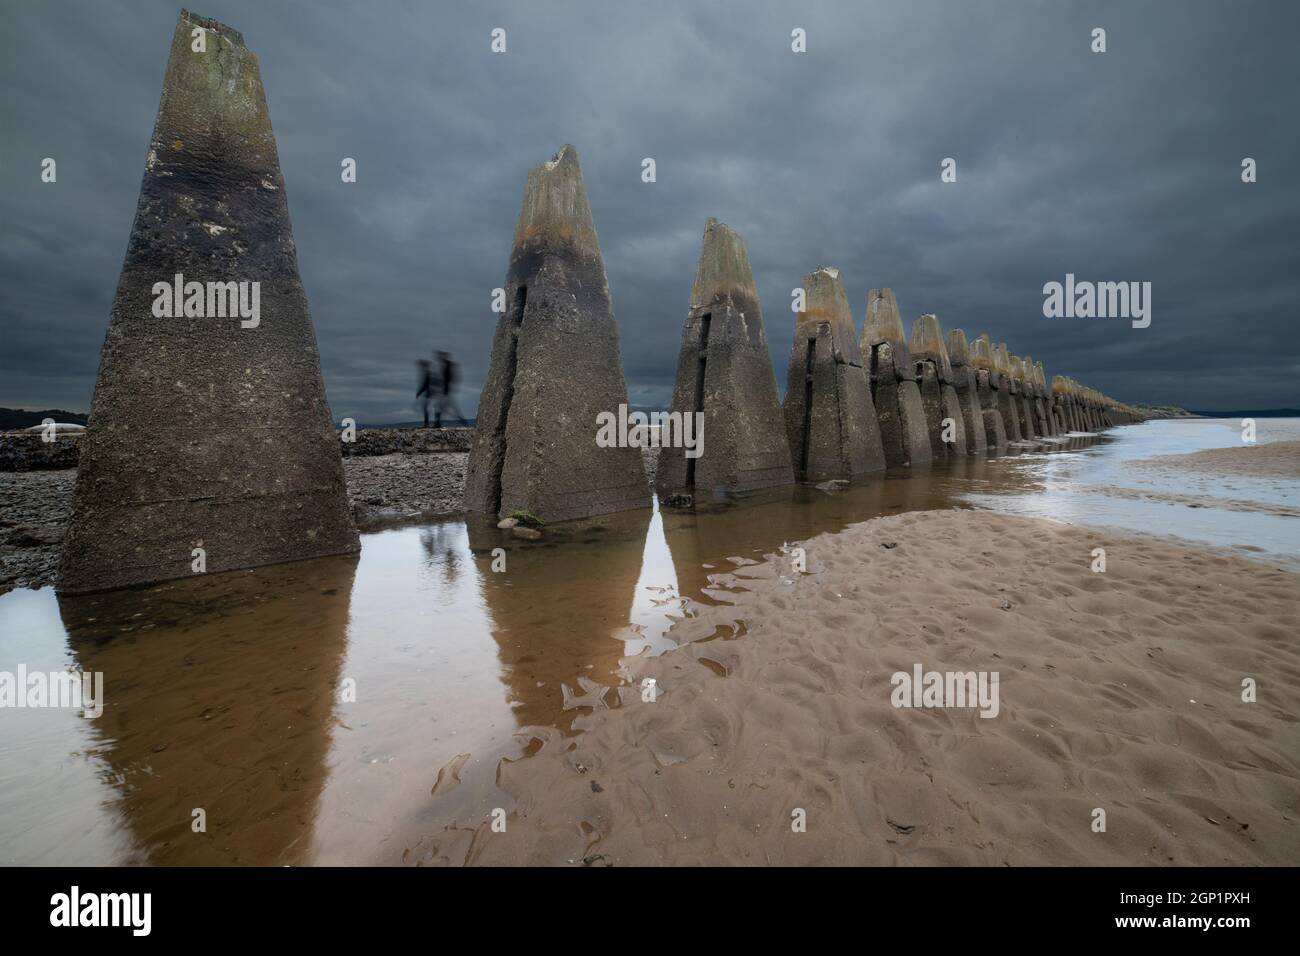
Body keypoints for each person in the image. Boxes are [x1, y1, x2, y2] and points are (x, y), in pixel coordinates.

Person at [432, 351, 465, 427]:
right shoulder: (445, 365)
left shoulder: (447, 365)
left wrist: (444, 388)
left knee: (439, 407)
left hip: (446, 390)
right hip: (446, 390)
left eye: (440, 357)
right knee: (442, 407)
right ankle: (462, 421)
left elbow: (449, 378)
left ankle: (437, 424)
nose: (439, 358)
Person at [416, 358, 440, 428]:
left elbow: (425, 385)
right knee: (435, 408)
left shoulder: (428, 373)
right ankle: (436, 423)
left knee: (426, 408)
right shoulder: (433, 373)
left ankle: (427, 423)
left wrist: (419, 393)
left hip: (430, 394)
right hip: (435, 394)